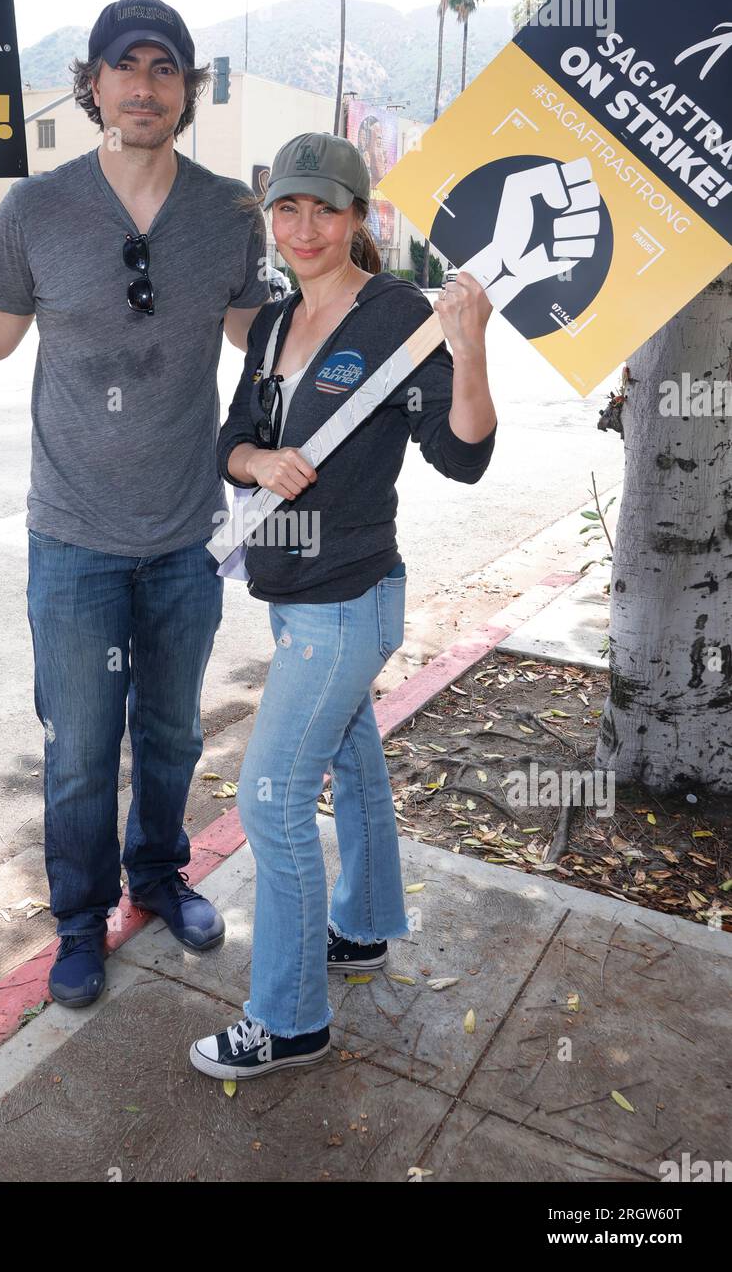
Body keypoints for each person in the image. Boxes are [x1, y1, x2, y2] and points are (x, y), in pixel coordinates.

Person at [0, 0, 270, 1010]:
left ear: (186, 88)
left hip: (185, 537)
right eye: (123, 67)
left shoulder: (225, 213)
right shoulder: (36, 209)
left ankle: (158, 876)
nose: (143, 85)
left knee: (171, 732)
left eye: (163, 67)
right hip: (74, 540)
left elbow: (255, 339)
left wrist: (333, 259)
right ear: (92, 85)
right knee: (81, 749)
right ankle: (79, 923)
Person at [190, 132, 497, 1080]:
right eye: (288, 208)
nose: (305, 226)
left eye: (325, 207)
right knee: (351, 762)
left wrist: (471, 342)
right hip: (291, 598)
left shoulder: (401, 316)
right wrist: (256, 461)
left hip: (348, 604)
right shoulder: (276, 324)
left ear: (359, 217)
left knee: (271, 797)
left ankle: (288, 1020)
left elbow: (466, 454)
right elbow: (229, 440)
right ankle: (360, 928)